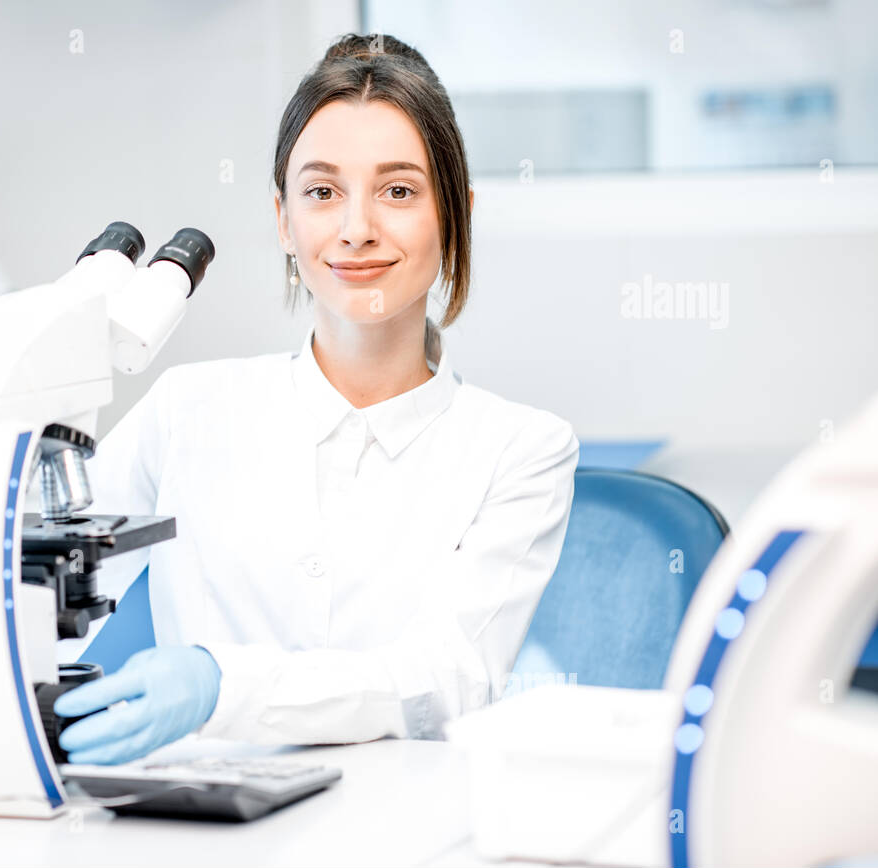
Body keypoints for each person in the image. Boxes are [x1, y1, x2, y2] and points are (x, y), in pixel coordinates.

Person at [51, 33, 579, 765]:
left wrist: (222, 686)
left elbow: (447, 679)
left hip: (407, 832)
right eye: (322, 192)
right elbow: (31, 591)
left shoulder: (522, 450)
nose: (356, 229)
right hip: (195, 826)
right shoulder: (186, 411)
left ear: (453, 214)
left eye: (398, 191)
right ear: (283, 221)